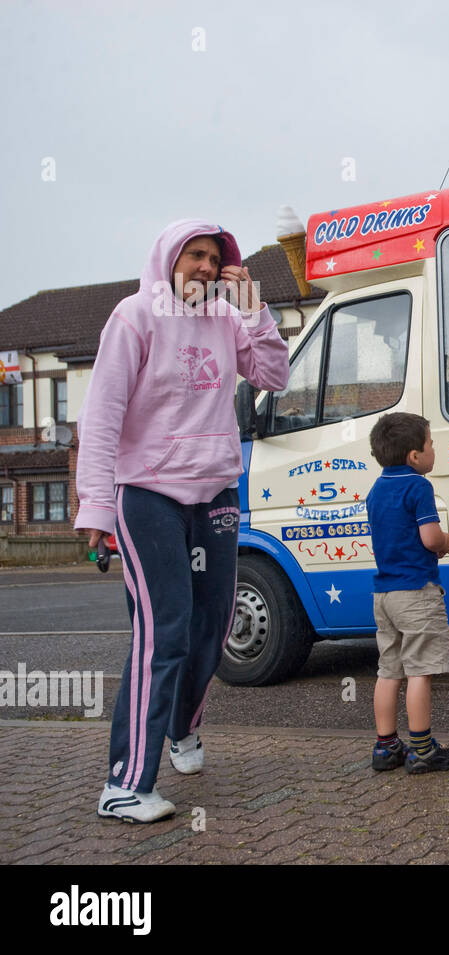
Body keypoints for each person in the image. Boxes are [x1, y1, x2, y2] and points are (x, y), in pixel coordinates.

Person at [78, 220, 289, 823]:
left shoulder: (229, 316)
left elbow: (274, 376)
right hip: (147, 492)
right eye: (193, 255)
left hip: (216, 489)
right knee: (162, 628)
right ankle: (125, 784)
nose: (203, 266)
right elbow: (101, 415)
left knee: (214, 625)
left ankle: (182, 727)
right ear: (168, 258)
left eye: (213, 258)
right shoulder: (133, 316)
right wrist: (96, 505)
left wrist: (255, 309)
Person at [365, 412, 449, 774]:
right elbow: (429, 538)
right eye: (430, 444)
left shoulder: (376, 490)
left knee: (389, 670)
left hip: (384, 595)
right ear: (414, 456)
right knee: (420, 670)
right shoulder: (418, 487)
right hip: (415, 593)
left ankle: (386, 746)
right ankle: (423, 749)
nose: (434, 449)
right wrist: (446, 542)